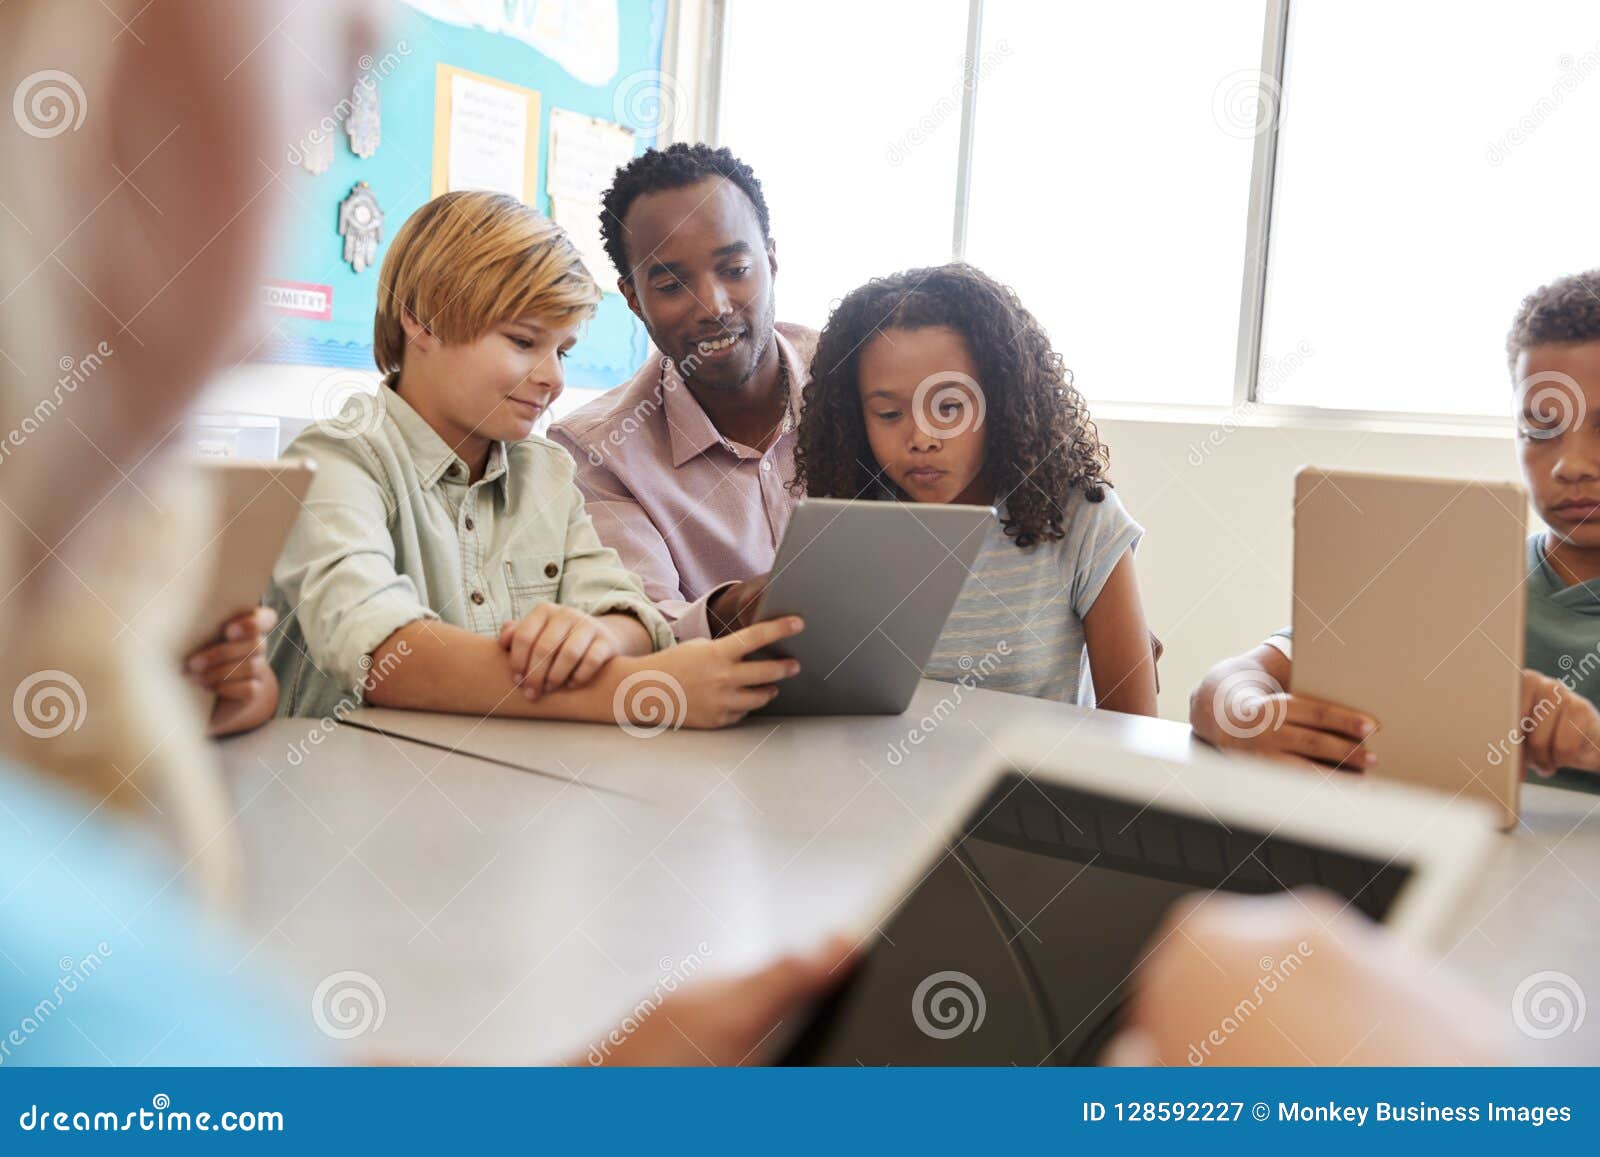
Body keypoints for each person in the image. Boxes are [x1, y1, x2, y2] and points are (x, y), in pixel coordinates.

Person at [265, 190, 803, 729]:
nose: (553, 378)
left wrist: (599, 634)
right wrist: (639, 689)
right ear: (421, 322)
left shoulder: (545, 471)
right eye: (523, 341)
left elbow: (633, 617)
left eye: (562, 350)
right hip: (339, 795)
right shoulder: (334, 462)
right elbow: (381, 656)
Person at [1189, 270, 1600, 781]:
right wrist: (1241, 713)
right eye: (1541, 429)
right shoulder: (1455, 575)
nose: (1571, 465)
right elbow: (1225, 683)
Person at [789, 265, 1158, 714]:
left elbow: (1134, 728)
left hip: (1034, 784)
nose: (922, 437)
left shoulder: (1083, 519)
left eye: (948, 406)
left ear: (1001, 402)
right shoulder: (846, 521)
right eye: (889, 414)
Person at [549, 144, 816, 640]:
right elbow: (636, 619)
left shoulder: (865, 379)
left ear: (772, 260)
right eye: (671, 285)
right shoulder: (598, 451)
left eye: (735, 271)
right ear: (633, 299)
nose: (712, 306)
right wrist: (739, 609)